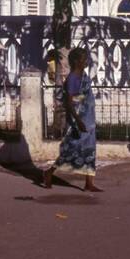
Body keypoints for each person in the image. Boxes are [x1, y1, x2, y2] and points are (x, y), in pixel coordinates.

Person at [43, 48, 97, 192]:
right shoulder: (73, 78)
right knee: (71, 148)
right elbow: (69, 102)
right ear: (75, 61)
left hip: (88, 118)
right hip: (78, 119)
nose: (86, 61)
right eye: (83, 59)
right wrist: (78, 121)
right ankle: (49, 172)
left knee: (90, 149)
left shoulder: (83, 75)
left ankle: (89, 183)